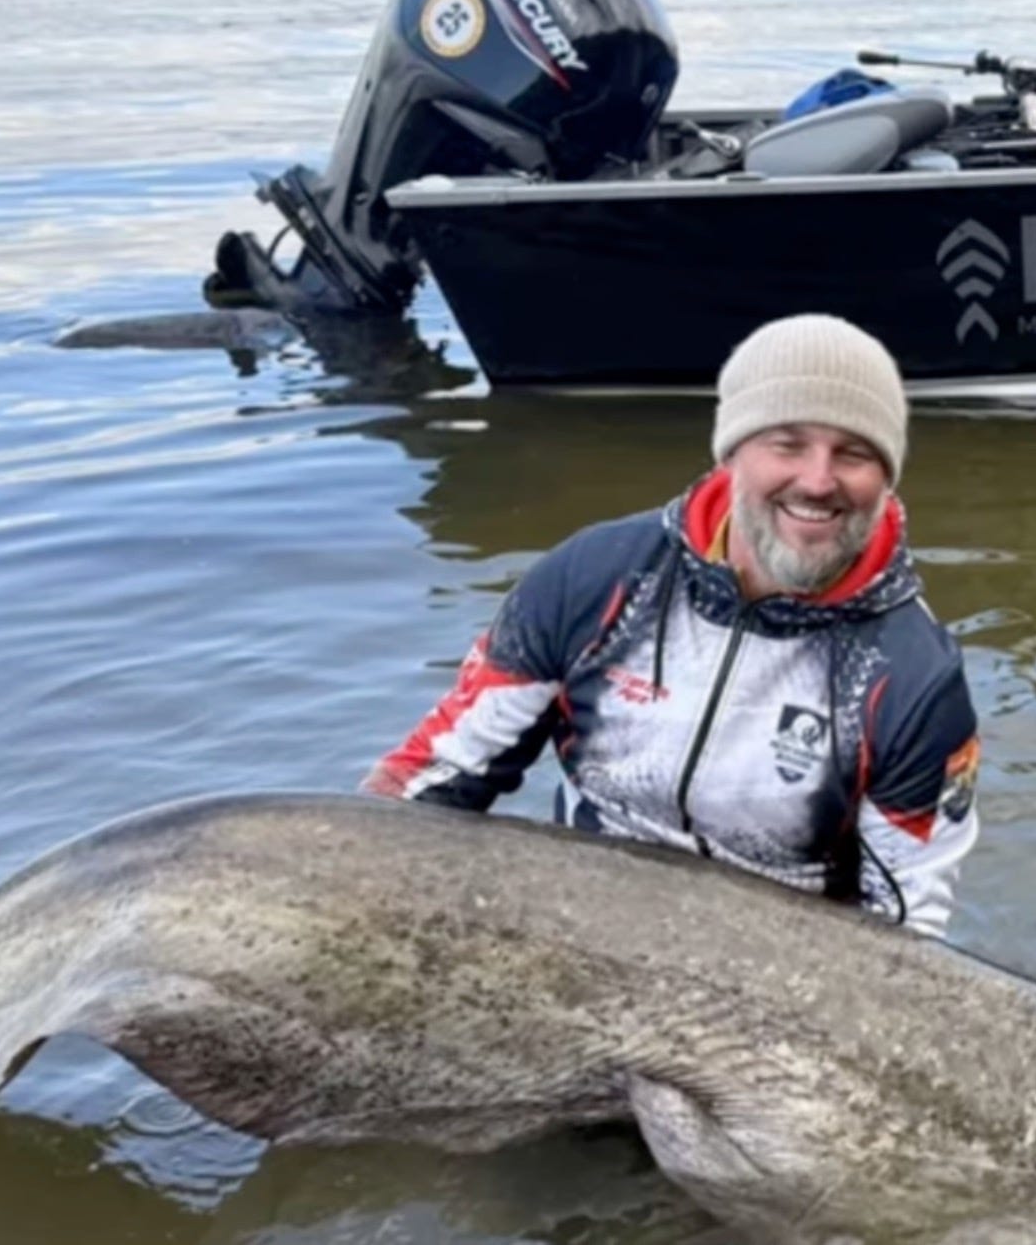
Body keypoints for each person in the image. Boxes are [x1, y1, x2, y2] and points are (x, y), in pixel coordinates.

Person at [363, 314, 981, 937]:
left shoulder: (915, 680)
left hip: (783, 971)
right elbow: (433, 783)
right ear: (734, 452)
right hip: (580, 926)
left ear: (885, 477)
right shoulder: (595, 577)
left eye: (852, 453)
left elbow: (909, 935)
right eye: (787, 444)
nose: (818, 481)